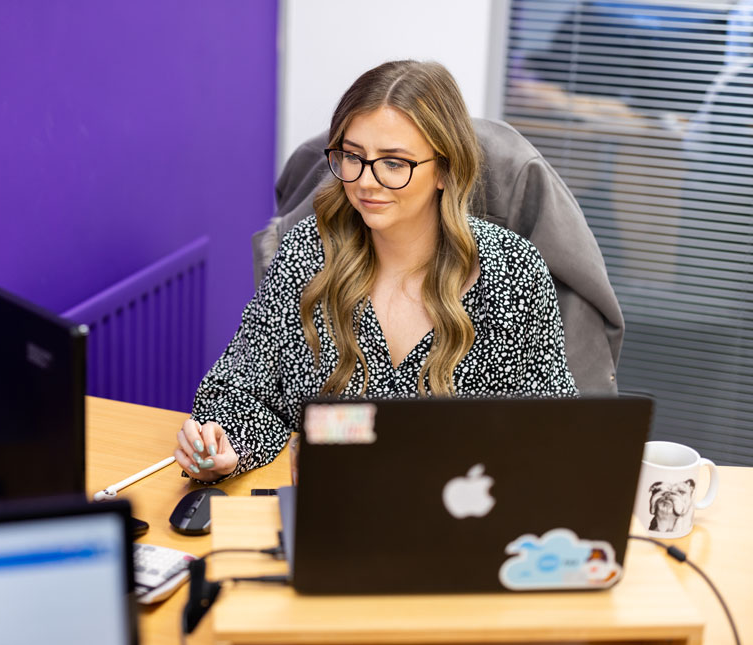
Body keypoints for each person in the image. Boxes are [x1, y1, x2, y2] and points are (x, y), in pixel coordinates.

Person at [172, 60, 577, 482]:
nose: (366, 182)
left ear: (445, 169)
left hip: (462, 507)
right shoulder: (307, 253)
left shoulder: (514, 271)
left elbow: (554, 430)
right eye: (353, 156)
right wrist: (224, 445)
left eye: (394, 163)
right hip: (333, 502)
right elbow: (242, 389)